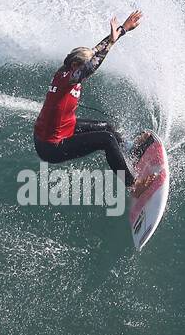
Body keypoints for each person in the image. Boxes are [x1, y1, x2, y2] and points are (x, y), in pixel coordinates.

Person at [32, 10, 156, 196]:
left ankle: (131, 151)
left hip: (63, 128)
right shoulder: (68, 79)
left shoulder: (68, 70)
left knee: (107, 127)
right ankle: (133, 186)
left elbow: (94, 53)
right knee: (106, 140)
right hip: (51, 146)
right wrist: (113, 41)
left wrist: (121, 31)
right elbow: (92, 64)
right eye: (84, 67)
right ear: (75, 66)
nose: (88, 71)